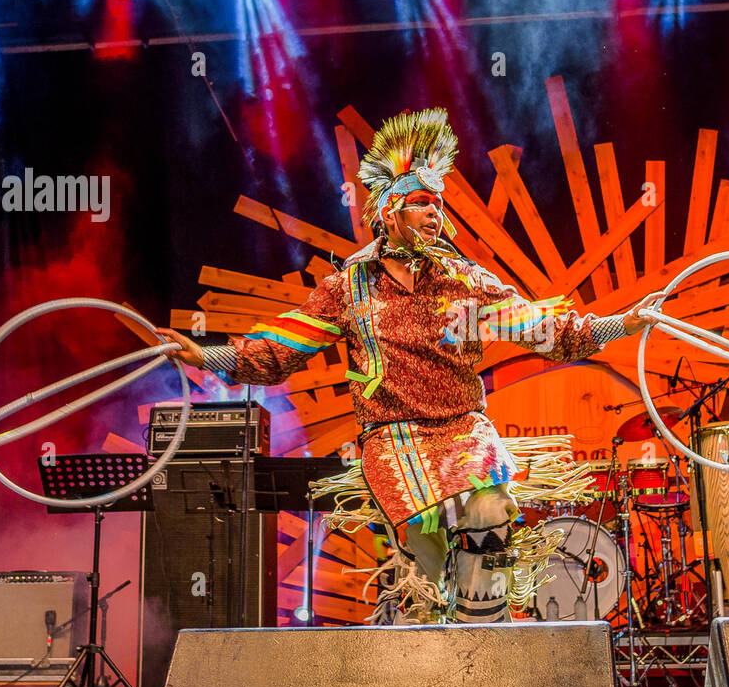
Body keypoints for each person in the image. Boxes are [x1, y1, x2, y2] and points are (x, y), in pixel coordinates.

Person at [160, 106, 662, 624]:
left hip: (463, 427)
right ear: (389, 212)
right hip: (393, 436)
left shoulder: (467, 281)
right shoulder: (347, 288)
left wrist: (623, 323)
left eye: (439, 205)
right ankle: (429, 620)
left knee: (487, 511)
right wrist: (207, 355)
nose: (435, 214)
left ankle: (483, 640)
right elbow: (279, 351)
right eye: (422, 204)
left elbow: (550, 333)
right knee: (426, 551)